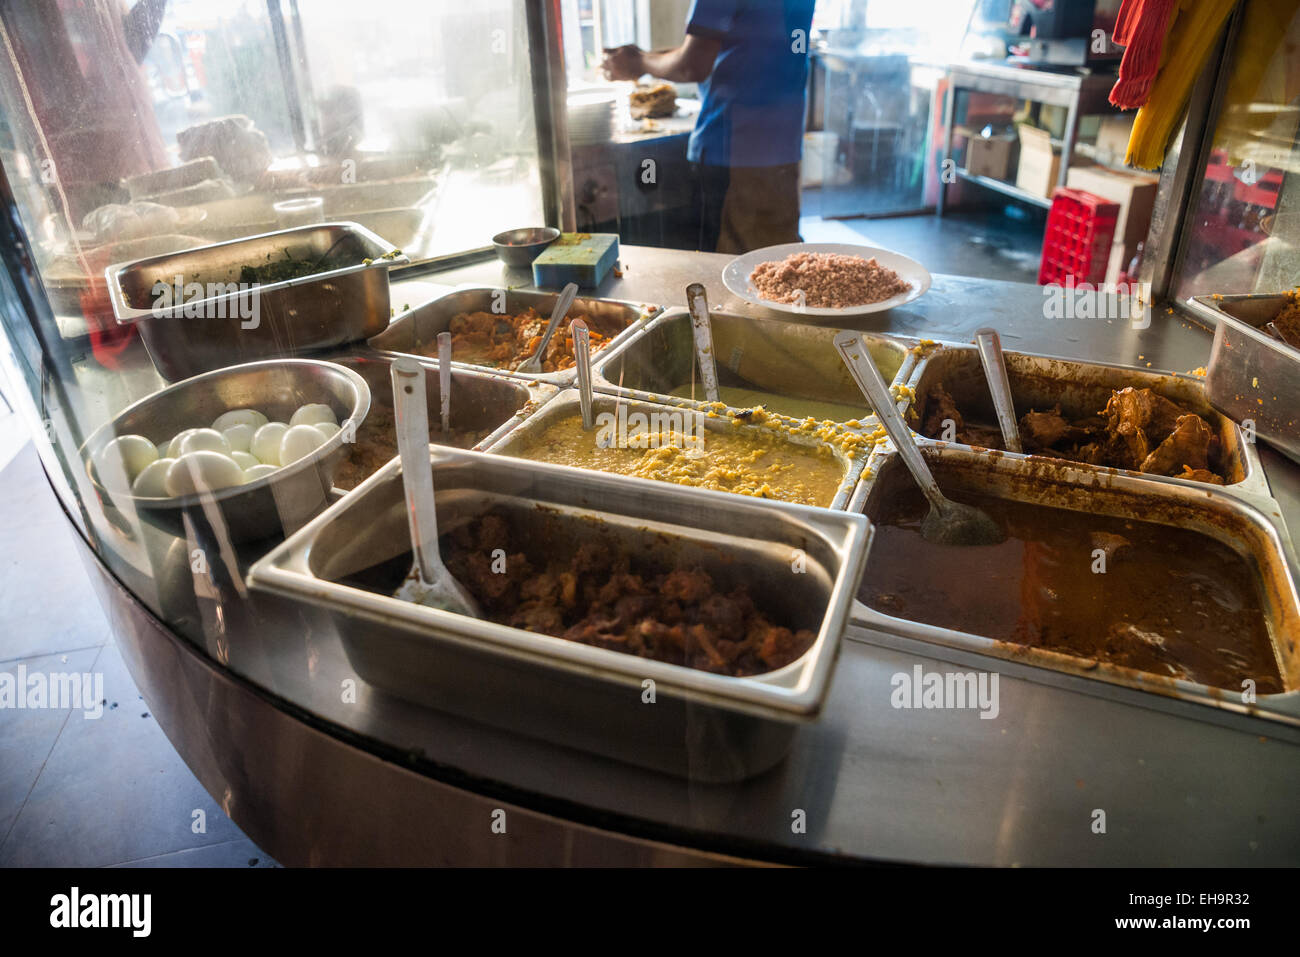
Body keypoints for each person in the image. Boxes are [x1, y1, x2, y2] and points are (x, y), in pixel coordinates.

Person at [602, 0, 816, 254]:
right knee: (775, 260)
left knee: (730, 269)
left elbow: (693, 64)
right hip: (782, 146)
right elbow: (747, 44)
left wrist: (637, 63)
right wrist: (648, 57)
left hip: (733, 152)